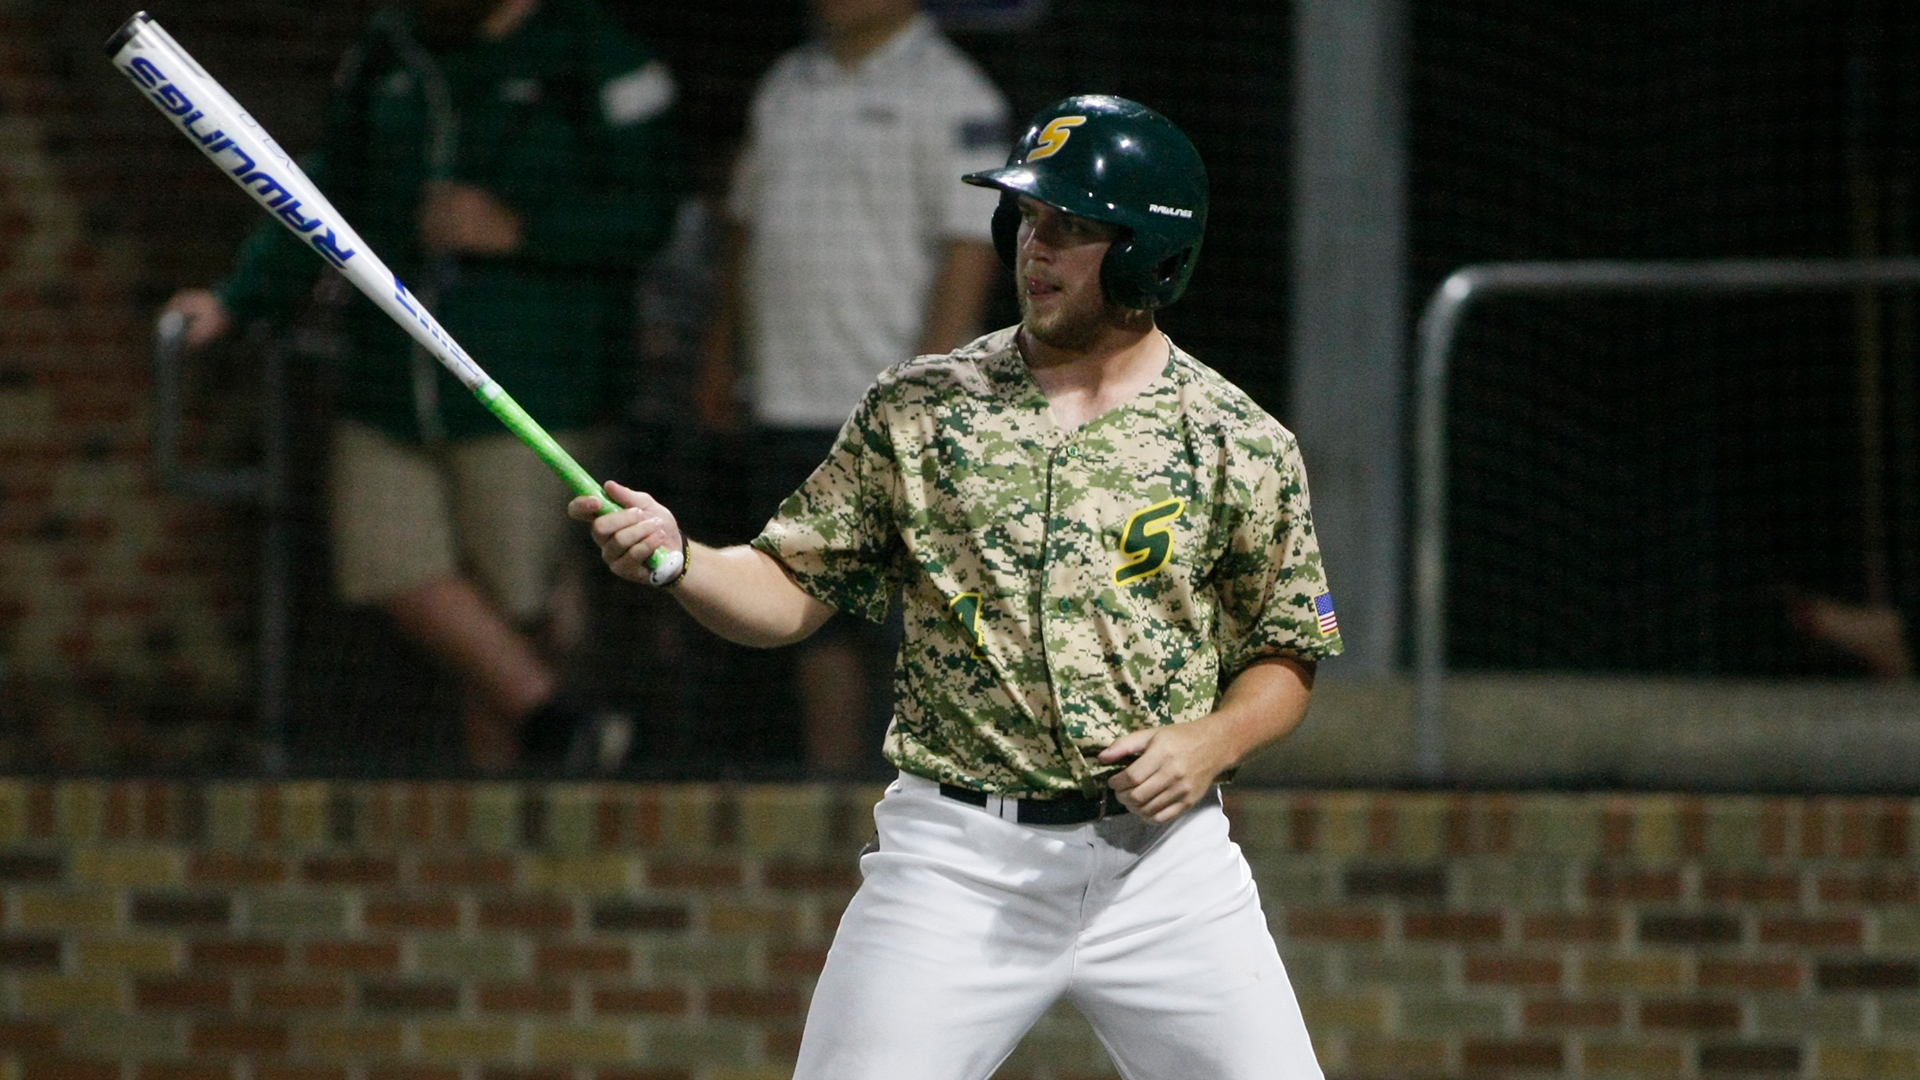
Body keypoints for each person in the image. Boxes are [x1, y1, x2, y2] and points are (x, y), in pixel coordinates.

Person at [576, 95, 1341, 1078]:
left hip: (1166, 873)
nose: (1036, 248)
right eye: (1027, 220)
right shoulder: (920, 409)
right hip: (957, 861)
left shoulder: (1239, 442)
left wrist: (1212, 739)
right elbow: (784, 588)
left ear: (1152, 251)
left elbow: (1286, 655)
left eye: (1071, 229)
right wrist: (682, 561)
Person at [163, 0, 682, 772]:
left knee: (522, 604)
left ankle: (530, 818)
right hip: (389, 382)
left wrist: (519, 228)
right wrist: (240, 298)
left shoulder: (600, 54)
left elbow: (652, 211)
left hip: (536, 384)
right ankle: (560, 733)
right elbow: (317, 194)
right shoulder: (389, 48)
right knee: (386, 561)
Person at [696, 0, 1010, 776]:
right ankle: (831, 803)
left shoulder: (958, 95)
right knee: (812, 620)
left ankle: (915, 799)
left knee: (905, 621)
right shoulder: (784, 84)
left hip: (889, 408)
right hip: (784, 400)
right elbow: (745, 228)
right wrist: (719, 352)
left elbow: (973, 248)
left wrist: (928, 390)